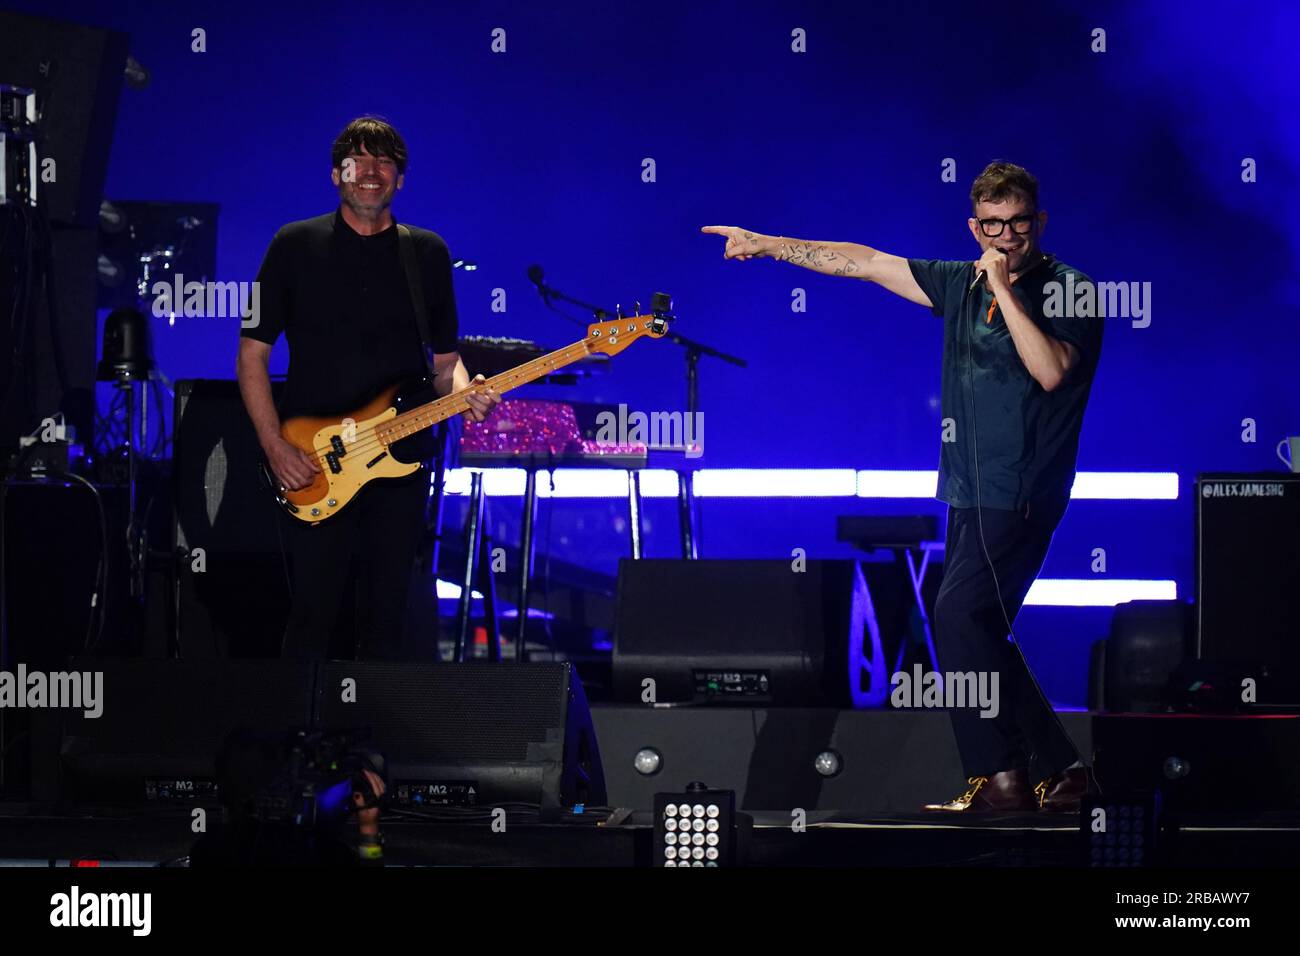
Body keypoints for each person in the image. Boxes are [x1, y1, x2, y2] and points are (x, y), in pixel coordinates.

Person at [703, 161, 1102, 812]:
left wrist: (1004, 291)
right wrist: (769, 244)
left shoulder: (1071, 289)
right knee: (978, 628)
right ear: (974, 227)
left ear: (1040, 221)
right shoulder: (958, 282)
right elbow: (863, 262)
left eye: (1018, 222)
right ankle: (1062, 771)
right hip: (969, 488)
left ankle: (1001, 777)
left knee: (956, 616)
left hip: (1023, 488)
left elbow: (1051, 370)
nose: (1006, 236)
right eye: (993, 225)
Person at [237, 116, 499, 660]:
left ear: (400, 179)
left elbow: (445, 364)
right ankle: (302, 716)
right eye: (357, 161)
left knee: (386, 619)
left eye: (384, 162)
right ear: (336, 174)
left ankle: (373, 718)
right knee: (313, 615)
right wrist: (274, 445)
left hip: (399, 461)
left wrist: (466, 391)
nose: (371, 172)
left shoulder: (426, 253)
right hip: (312, 460)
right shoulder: (293, 244)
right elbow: (252, 354)